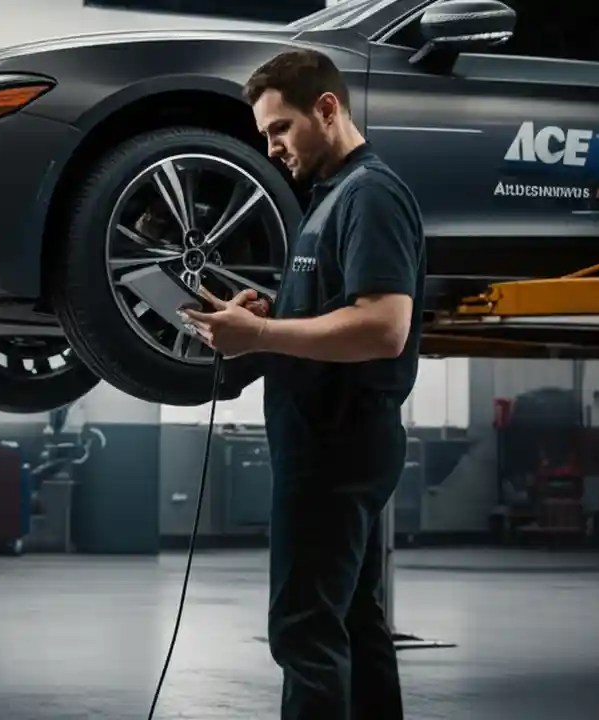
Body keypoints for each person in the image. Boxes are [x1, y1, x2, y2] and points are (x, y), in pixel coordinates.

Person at [182, 48, 426, 720]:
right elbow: (336, 316)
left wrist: (258, 337)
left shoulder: (369, 194)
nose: (272, 147)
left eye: (279, 129)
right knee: (351, 622)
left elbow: (383, 327)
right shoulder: (329, 200)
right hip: (330, 441)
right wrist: (269, 316)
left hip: (336, 444)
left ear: (327, 108)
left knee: (305, 631)